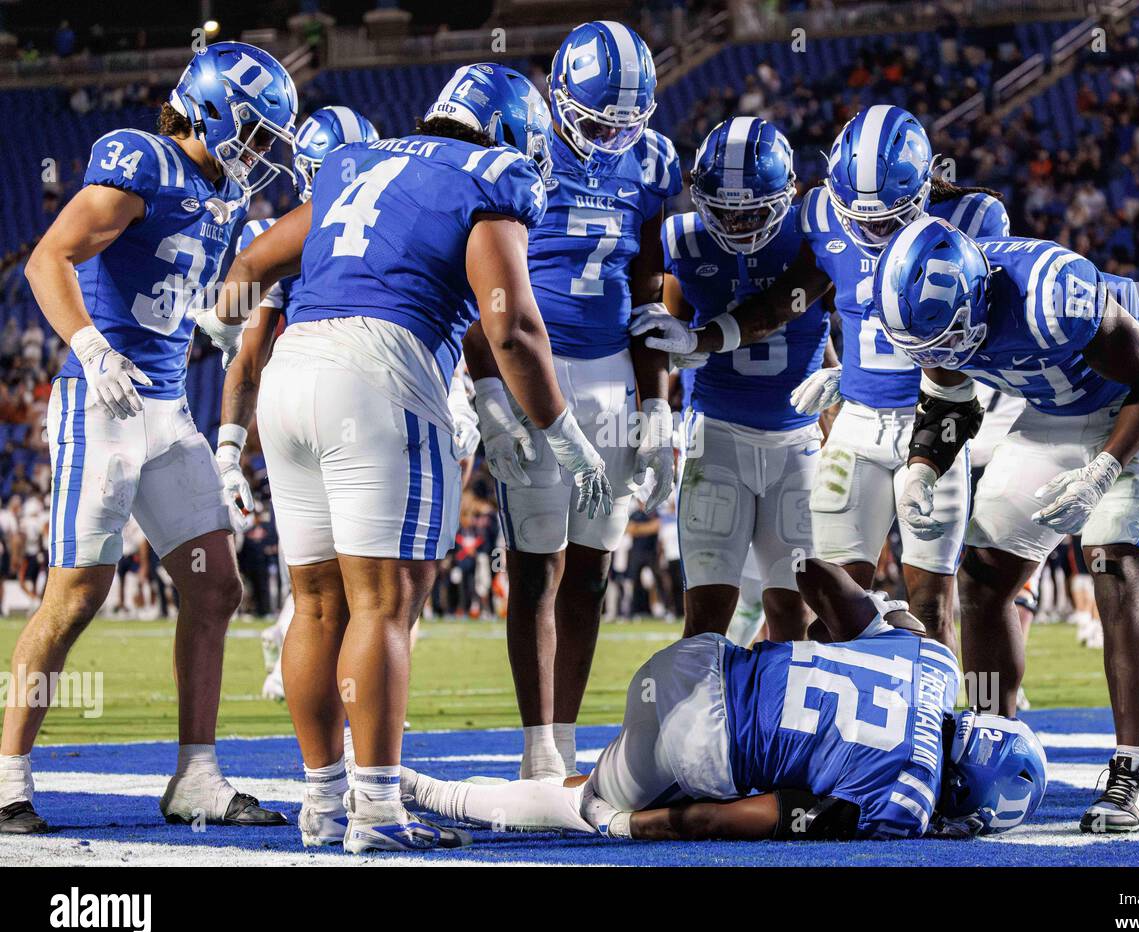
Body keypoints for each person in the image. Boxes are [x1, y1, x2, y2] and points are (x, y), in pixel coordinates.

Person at [195, 64, 612, 853]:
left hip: (293, 373)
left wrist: (218, 332)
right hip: (381, 374)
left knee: (316, 602)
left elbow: (249, 269)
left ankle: (323, 798)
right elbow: (512, 327)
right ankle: (378, 807)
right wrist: (563, 433)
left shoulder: (360, 160)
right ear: (512, 132)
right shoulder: (493, 173)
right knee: (384, 604)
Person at [1, 41, 298, 835]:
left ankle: (196, 777)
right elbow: (46, 260)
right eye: (258, 134)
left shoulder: (226, 195)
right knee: (75, 593)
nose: (263, 154)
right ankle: (6, 779)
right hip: (102, 402)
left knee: (215, 585)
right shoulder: (143, 162)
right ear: (214, 112)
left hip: (168, 410)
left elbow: (196, 294)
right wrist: (92, 347)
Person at [632, 105, 1011, 650]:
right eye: (857, 213)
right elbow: (784, 304)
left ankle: (933, 723)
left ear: (924, 190)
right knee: (831, 601)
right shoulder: (823, 216)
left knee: (932, 601)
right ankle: (832, 729)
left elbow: (990, 329)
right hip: (855, 426)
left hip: (932, 423)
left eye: (887, 216)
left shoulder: (971, 221)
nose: (870, 227)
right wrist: (703, 340)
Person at [870, 215, 1139, 834]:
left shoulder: (1049, 291)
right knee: (983, 580)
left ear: (977, 294)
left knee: (1114, 566)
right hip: (1051, 418)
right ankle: (991, 740)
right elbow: (948, 399)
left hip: (1129, 413)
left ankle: (1135, 771)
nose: (944, 353)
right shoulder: (929, 309)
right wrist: (922, 466)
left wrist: (1101, 471)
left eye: (950, 337)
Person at [400, 559, 1048, 841]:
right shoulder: (903, 801)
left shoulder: (930, 655)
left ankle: (409, 785)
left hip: (703, 656)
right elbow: (733, 818)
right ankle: (423, 791)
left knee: (598, 785)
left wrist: (855, 631)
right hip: (694, 740)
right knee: (589, 805)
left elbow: (817, 576)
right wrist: (630, 827)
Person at [465, 21, 682, 782]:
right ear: (558, 102)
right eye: (595, 121)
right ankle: (537, 748)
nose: (610, 140)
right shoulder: (520, 145)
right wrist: (490, 389)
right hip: (539, 376)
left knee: (592, 569)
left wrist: (657, 407)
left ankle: (567, 739)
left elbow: (654, 291)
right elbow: (477, 284)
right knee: (535, 565)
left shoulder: (652, 160)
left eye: (626, 124)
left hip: (614, 378)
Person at [210, 104, 382, 702]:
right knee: (360, 581)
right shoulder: (292, 235)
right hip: (336, 404)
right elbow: (249, 351)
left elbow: (248, 353)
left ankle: (340, 731)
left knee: (337, 582)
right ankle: (355, 716)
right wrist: (229, 449)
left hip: (318, 400)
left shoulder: (299, 231)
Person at [658, 116, 829, 642]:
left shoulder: (815, 232)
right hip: (717, 436)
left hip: (796, 438)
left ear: (786, 194)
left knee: (792, 613)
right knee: (707, 615)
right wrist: (653, 421)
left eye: (751, 211)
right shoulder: (682, 240)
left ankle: (777, 725)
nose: (737, 225)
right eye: (726, 211)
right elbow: (666, 340)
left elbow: (778, 311)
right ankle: (700, 726)